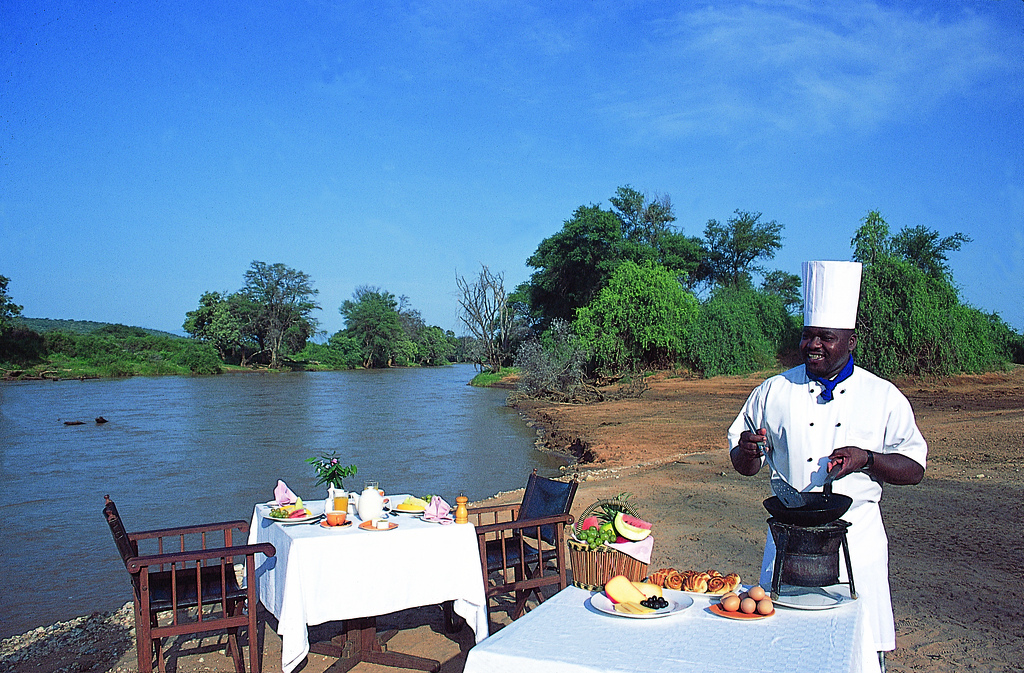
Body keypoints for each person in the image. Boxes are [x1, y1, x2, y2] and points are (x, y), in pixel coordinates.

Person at [727, 260, 927, 668]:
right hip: (789, 540)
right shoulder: (774, 391)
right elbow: (743, 461)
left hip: (858, 541)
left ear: (851, 341)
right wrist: (747, 453)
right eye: (807, 336)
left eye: (826, 337)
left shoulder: (882, 395)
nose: (813, 345)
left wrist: (867, 459)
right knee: (782, 647)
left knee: (858, 653)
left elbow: (914, 467)